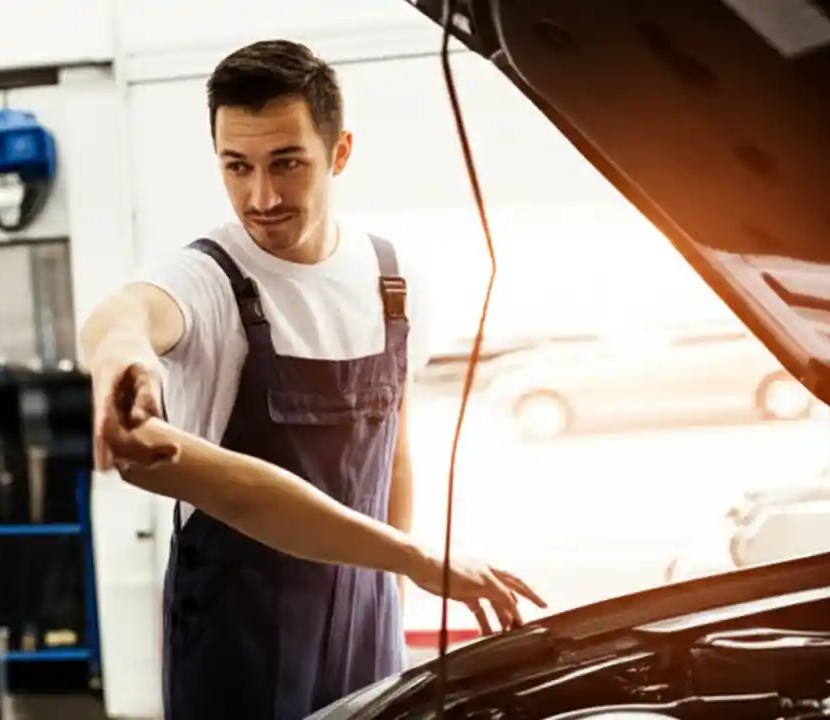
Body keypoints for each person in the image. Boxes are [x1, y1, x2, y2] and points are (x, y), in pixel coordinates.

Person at [79, 39, 544, 719]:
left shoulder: (394, 281)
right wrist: (126, 361)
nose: (260, 197)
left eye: (286, 164)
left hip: (368, 618)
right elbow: (121, 314)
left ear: (340, 153)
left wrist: (393, 593)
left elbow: (396, 459)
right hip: (239, 640)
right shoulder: (210, 278)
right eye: (236, 167)